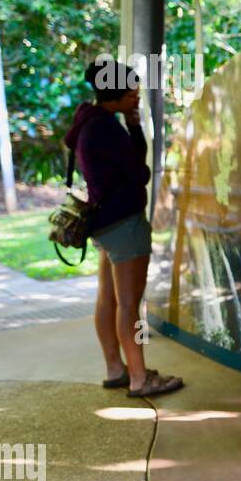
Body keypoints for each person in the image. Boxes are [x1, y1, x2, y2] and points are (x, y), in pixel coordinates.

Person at [64, 57, 183, 399]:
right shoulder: (106, 128)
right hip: (124, 224)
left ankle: (117, 369)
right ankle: (140, 378)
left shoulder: (87, 121)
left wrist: (131, 125)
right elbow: (140, 173)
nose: (136, 96)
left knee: (109, 299)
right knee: (129, 304)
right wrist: (133, 129)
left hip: (104, 223)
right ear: (114, 91)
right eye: (131, 90)